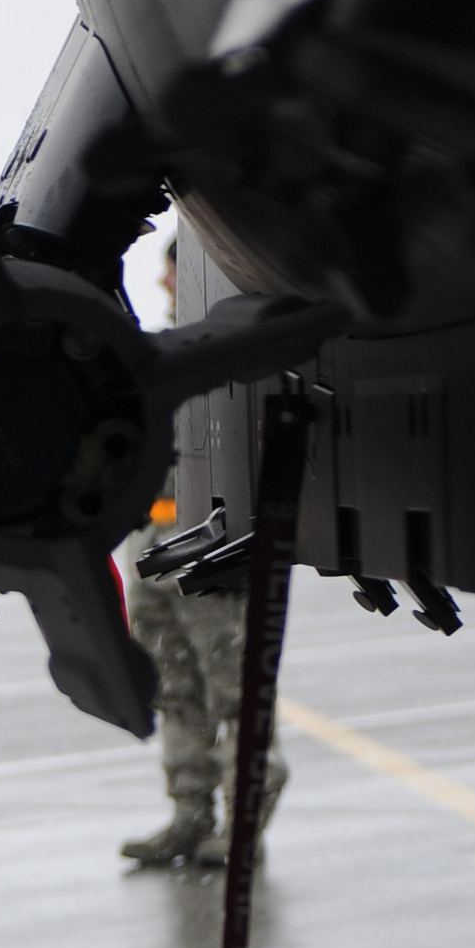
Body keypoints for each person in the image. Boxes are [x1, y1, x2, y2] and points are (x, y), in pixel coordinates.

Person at [123, 239, 287, 866]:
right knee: (175, 690)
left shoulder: (227, 355)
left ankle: (246, 821)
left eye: (172, 265)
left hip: (211, 546)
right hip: (154, 544)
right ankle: (189, 811)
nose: (165, 277)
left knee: (234, 690)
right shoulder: (156, 352)